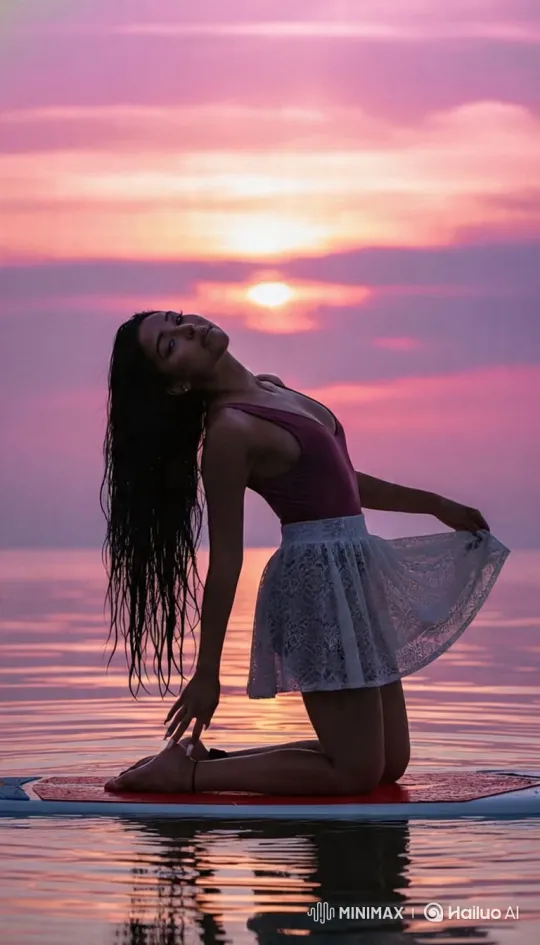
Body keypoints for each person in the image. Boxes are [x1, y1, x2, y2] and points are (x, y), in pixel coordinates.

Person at [101, 310, 510, 796]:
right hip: (315, 587)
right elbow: (226, 560)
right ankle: (189, 775)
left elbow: (341, 480)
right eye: (169, 345)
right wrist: (206, 674)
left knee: (388, 763)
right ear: (176, 386)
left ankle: (203, 760)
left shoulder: (272, 389)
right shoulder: (231, 431)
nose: (187, 329)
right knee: (354, 772)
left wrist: (435, 505)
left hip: (354, 575)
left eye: (176, 320)